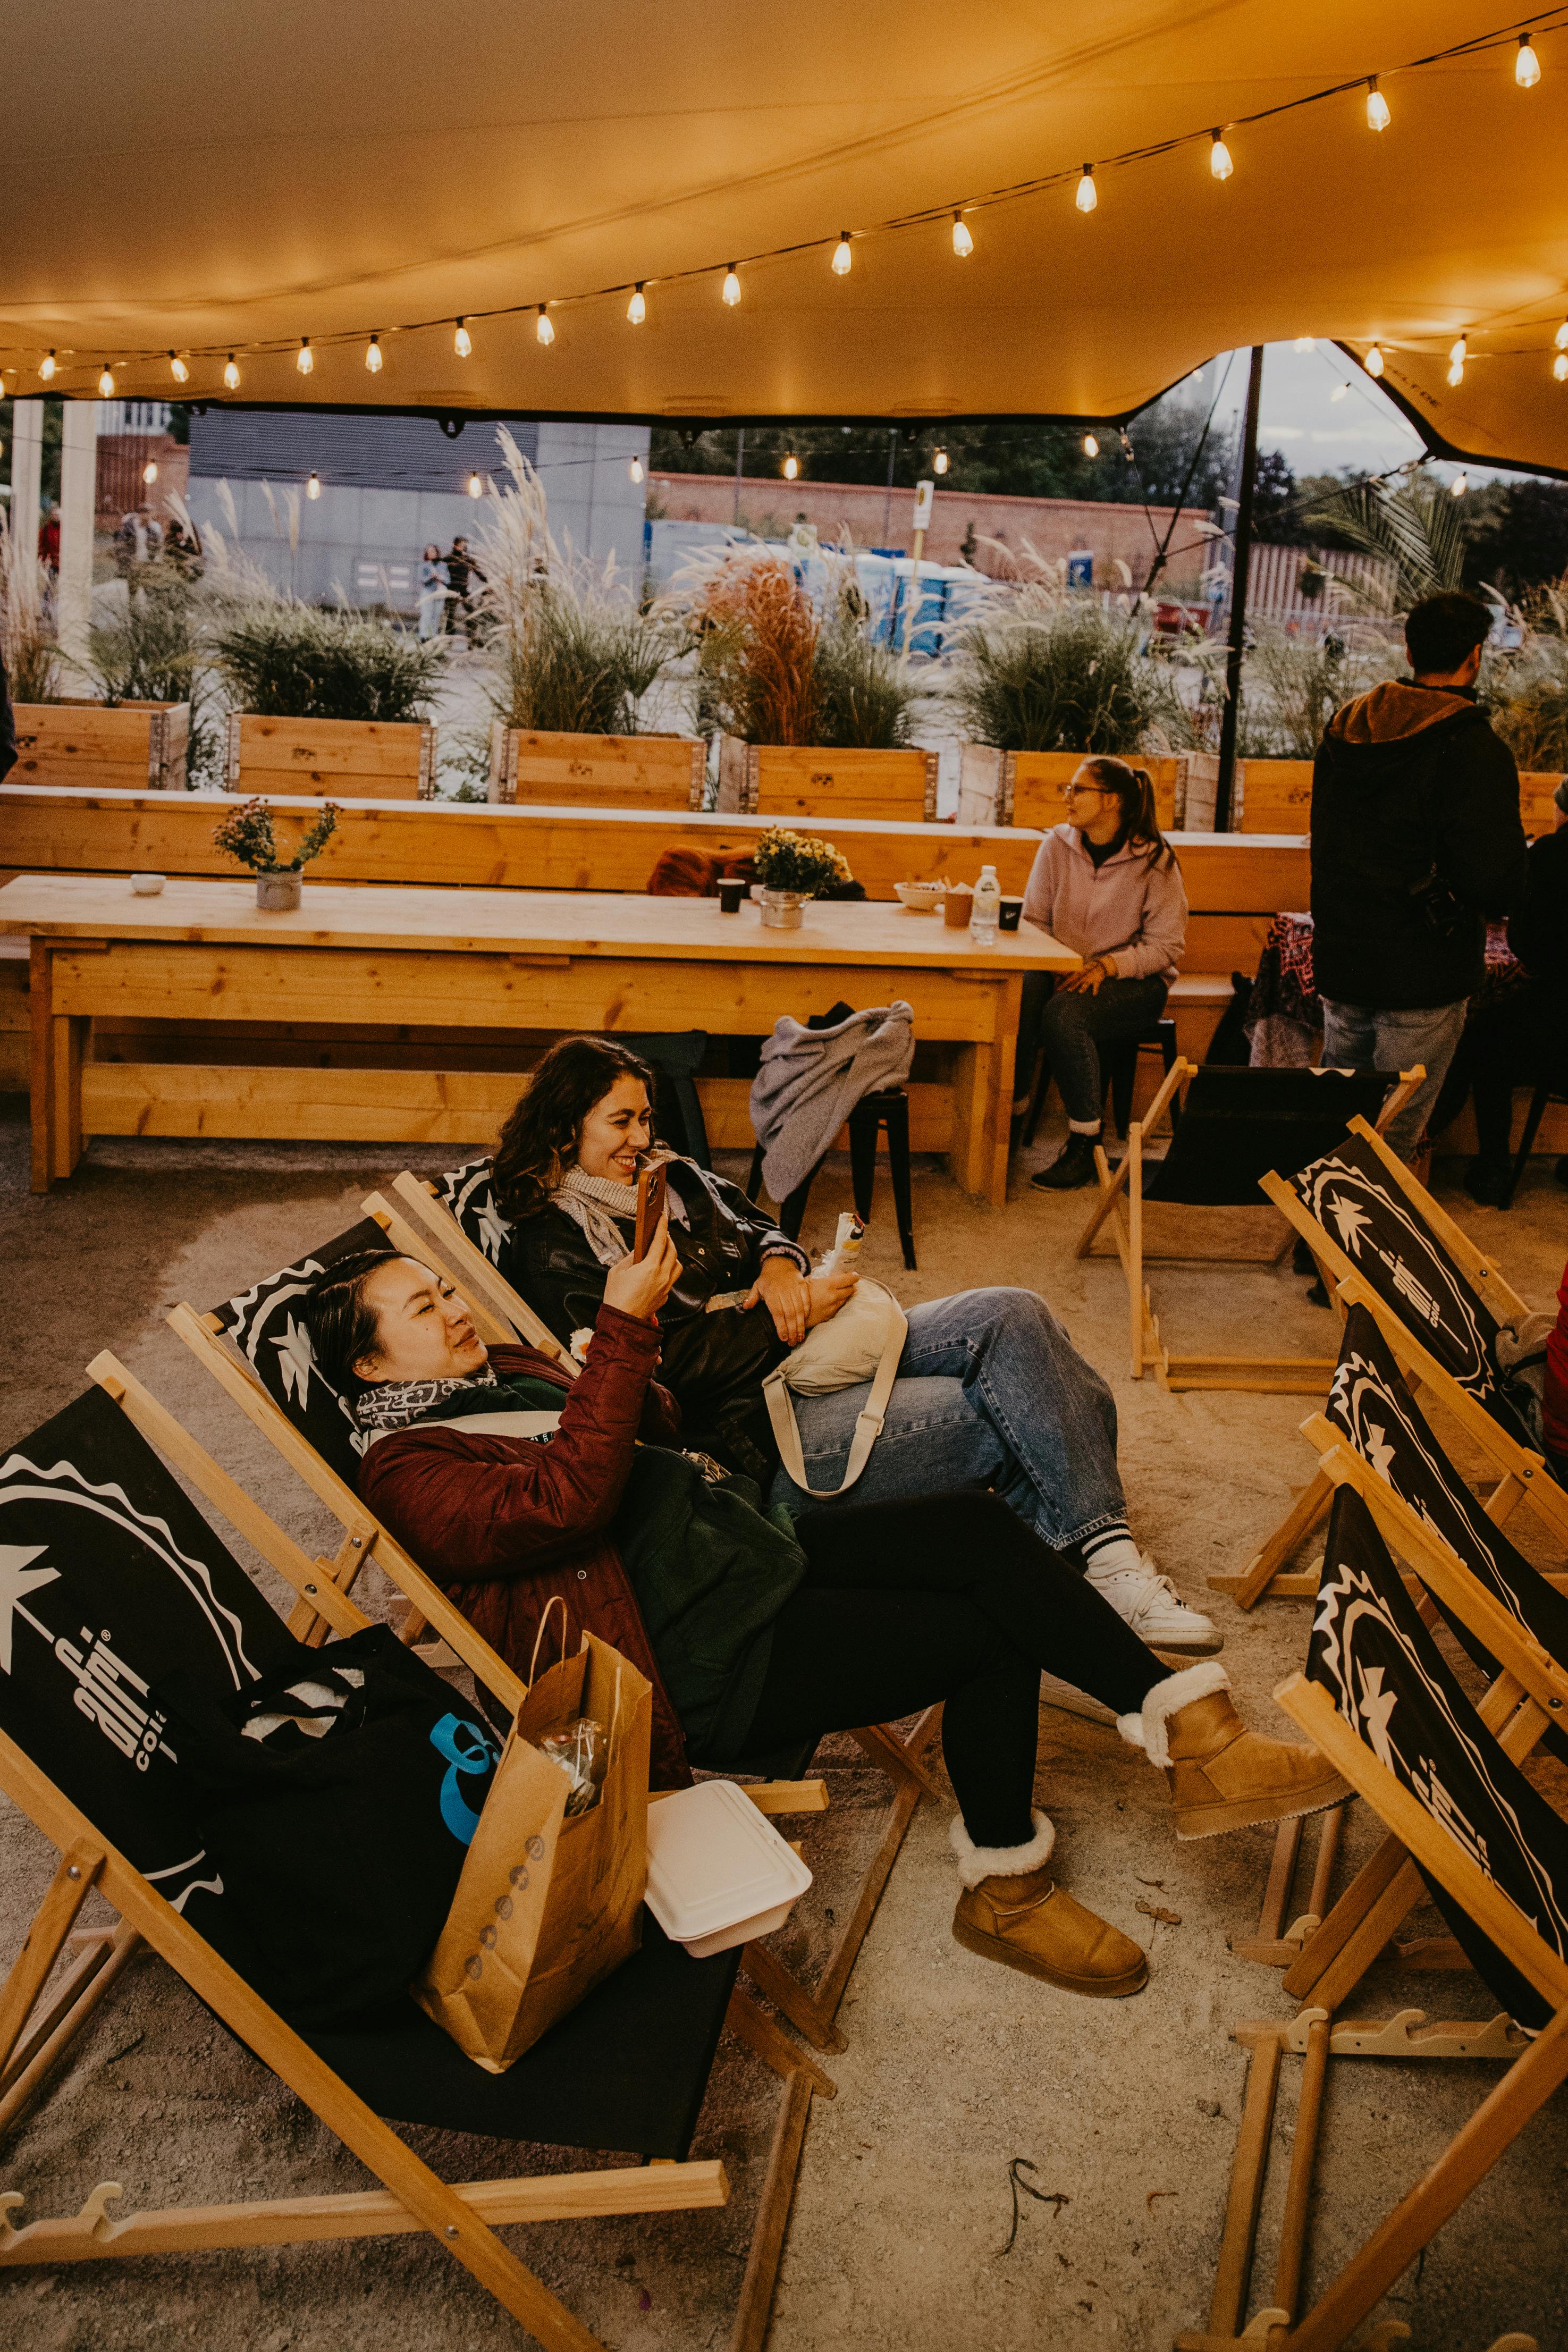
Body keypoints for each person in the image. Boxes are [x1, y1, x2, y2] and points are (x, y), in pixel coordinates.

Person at [302, 1246, 1348, 2000]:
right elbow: (561, 1505)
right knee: (988, 1633)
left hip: (742, 1560)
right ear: (370, 1367)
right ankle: (1007, 1890)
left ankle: (1198, 1738)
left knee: (977, 1537)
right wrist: (615, 1346)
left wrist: (616, 1359)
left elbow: (654, 1431)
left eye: (442, 1286)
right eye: (416, 1304)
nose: (447, 1305)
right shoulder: (406, 1469)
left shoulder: (510, 1373)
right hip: (691, 1661)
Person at [478, 1036, 1222, 1653]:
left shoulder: (668, 1177)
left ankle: (1103, 1559)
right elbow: (660, 1374)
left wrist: (778, 1269)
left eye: (645, 1116)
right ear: (562, 1128)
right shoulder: (551, 1244)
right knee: (1004, 1406)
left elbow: (760, 1226)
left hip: (811, 1355)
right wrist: (777, 1317)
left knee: (1015, 1315)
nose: (642, 1137)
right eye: (620, 1122)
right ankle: (1071, 1592)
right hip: (751, 1433)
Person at [1309, 590, 1529, 1161]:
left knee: (1338, 1117)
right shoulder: (1473, 748)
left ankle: (1317, 1246)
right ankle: (1362, 1249)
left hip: (1343, 955)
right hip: (1423, 968)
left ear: (1408, 651)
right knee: (1394, 1136)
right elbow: (1496, 880)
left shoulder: (1344, 730)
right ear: (1476, 656)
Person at [1014, 757, 1188, 1190]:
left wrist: (1108, 966)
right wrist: (1059, 964)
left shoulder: (1156, 861)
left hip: (1136, 984)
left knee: (1064, 1014)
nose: (1067, 798)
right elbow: (1034, 921)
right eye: (1068, 789)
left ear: (1111, 801)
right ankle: (1008, 1118)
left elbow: (1166, 946)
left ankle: (1084, 1144)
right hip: (1066, 972)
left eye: (1079, 790)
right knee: (1022, 988)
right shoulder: (1056, 845)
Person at [417, 544, 448, 640]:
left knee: (436, 615)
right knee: (427, 615)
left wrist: (440, 578)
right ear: (426, 554)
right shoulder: (424, 565)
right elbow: (422, 580)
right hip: (428, 592)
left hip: (439, 593)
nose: (432, 553)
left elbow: (448, 580)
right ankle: (424, 636)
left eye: (433, 551)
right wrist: (431, 577)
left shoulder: (443, 565)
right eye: (429, 552)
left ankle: (433, 636)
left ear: (437, 552)